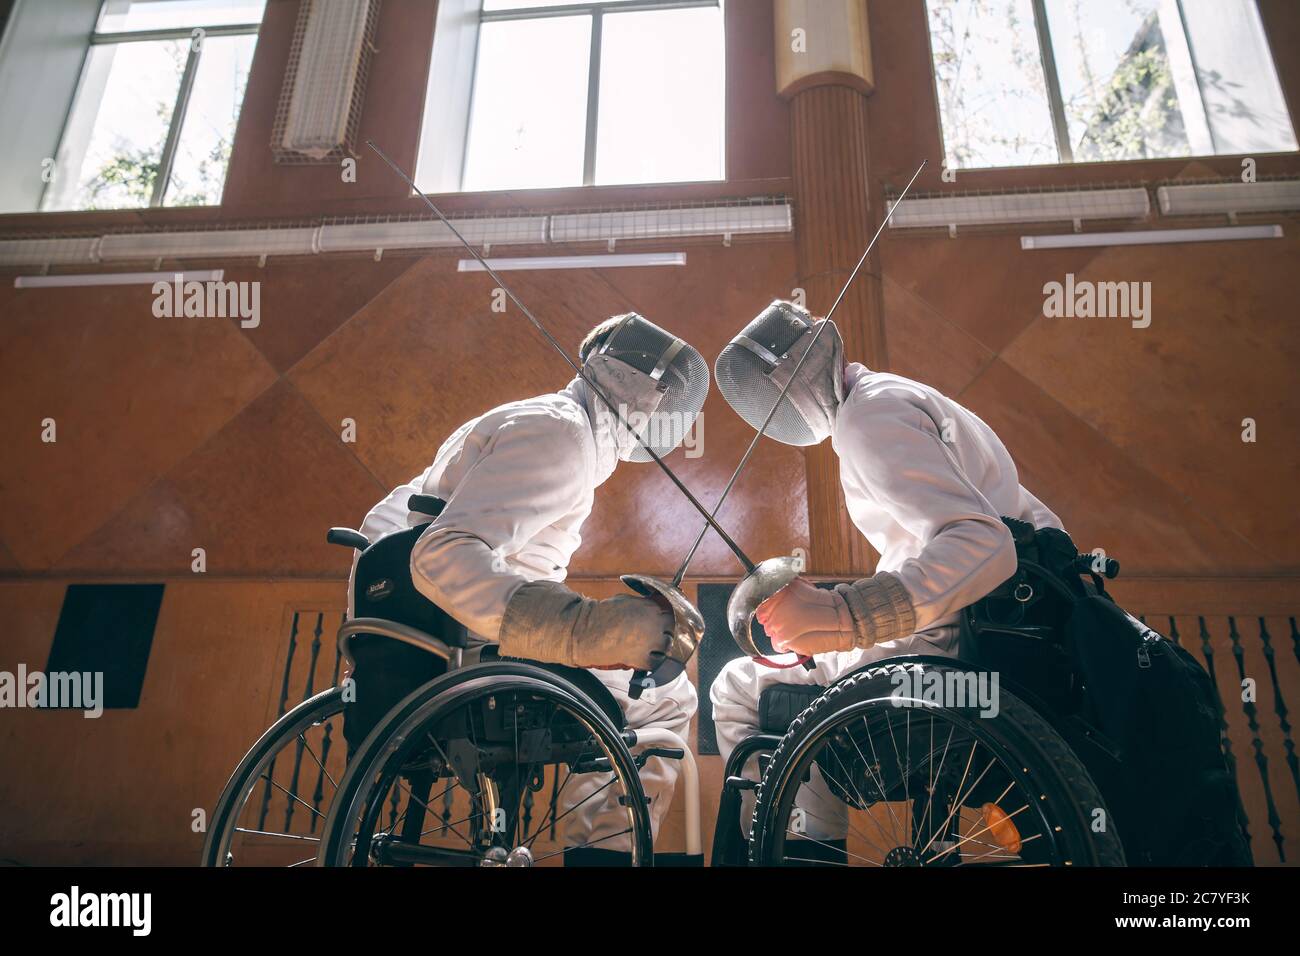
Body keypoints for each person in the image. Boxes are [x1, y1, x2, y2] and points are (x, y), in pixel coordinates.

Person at [346, 312, 708, 862]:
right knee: (664, 700)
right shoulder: (561, 436)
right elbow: (439, 554)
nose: (663, 414)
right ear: (643, 393)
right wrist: (583, 631)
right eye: (663, 398)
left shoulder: (543, 421)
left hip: (448, 640)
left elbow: (388, 524)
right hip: (475, 653)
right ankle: (601, 859)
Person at [709, 299, 1062, 846]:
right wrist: (838, 620)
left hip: (941, 654)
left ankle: (788, 853)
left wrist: (844, 613)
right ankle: (801, 840)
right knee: (794, 688)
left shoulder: (869, 418)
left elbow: (986, 544)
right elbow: (1022, 533)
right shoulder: (897, 398)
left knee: (735, 686)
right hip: (980, 639)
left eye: (775, 386)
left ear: (794, 372)